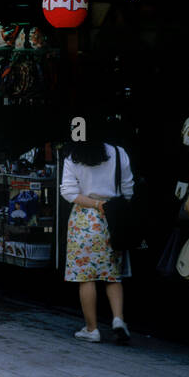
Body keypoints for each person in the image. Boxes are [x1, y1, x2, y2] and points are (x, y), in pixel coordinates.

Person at [60, 125, 133, 344]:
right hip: (113, 218)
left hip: (84, 219)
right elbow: (128, 189)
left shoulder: (73, 157)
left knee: (86, 277)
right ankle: (118, 320)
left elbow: (69, 191)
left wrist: (95, 203)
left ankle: (91, 329)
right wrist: (110, 204)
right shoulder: (119, 153)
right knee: (112, 275)